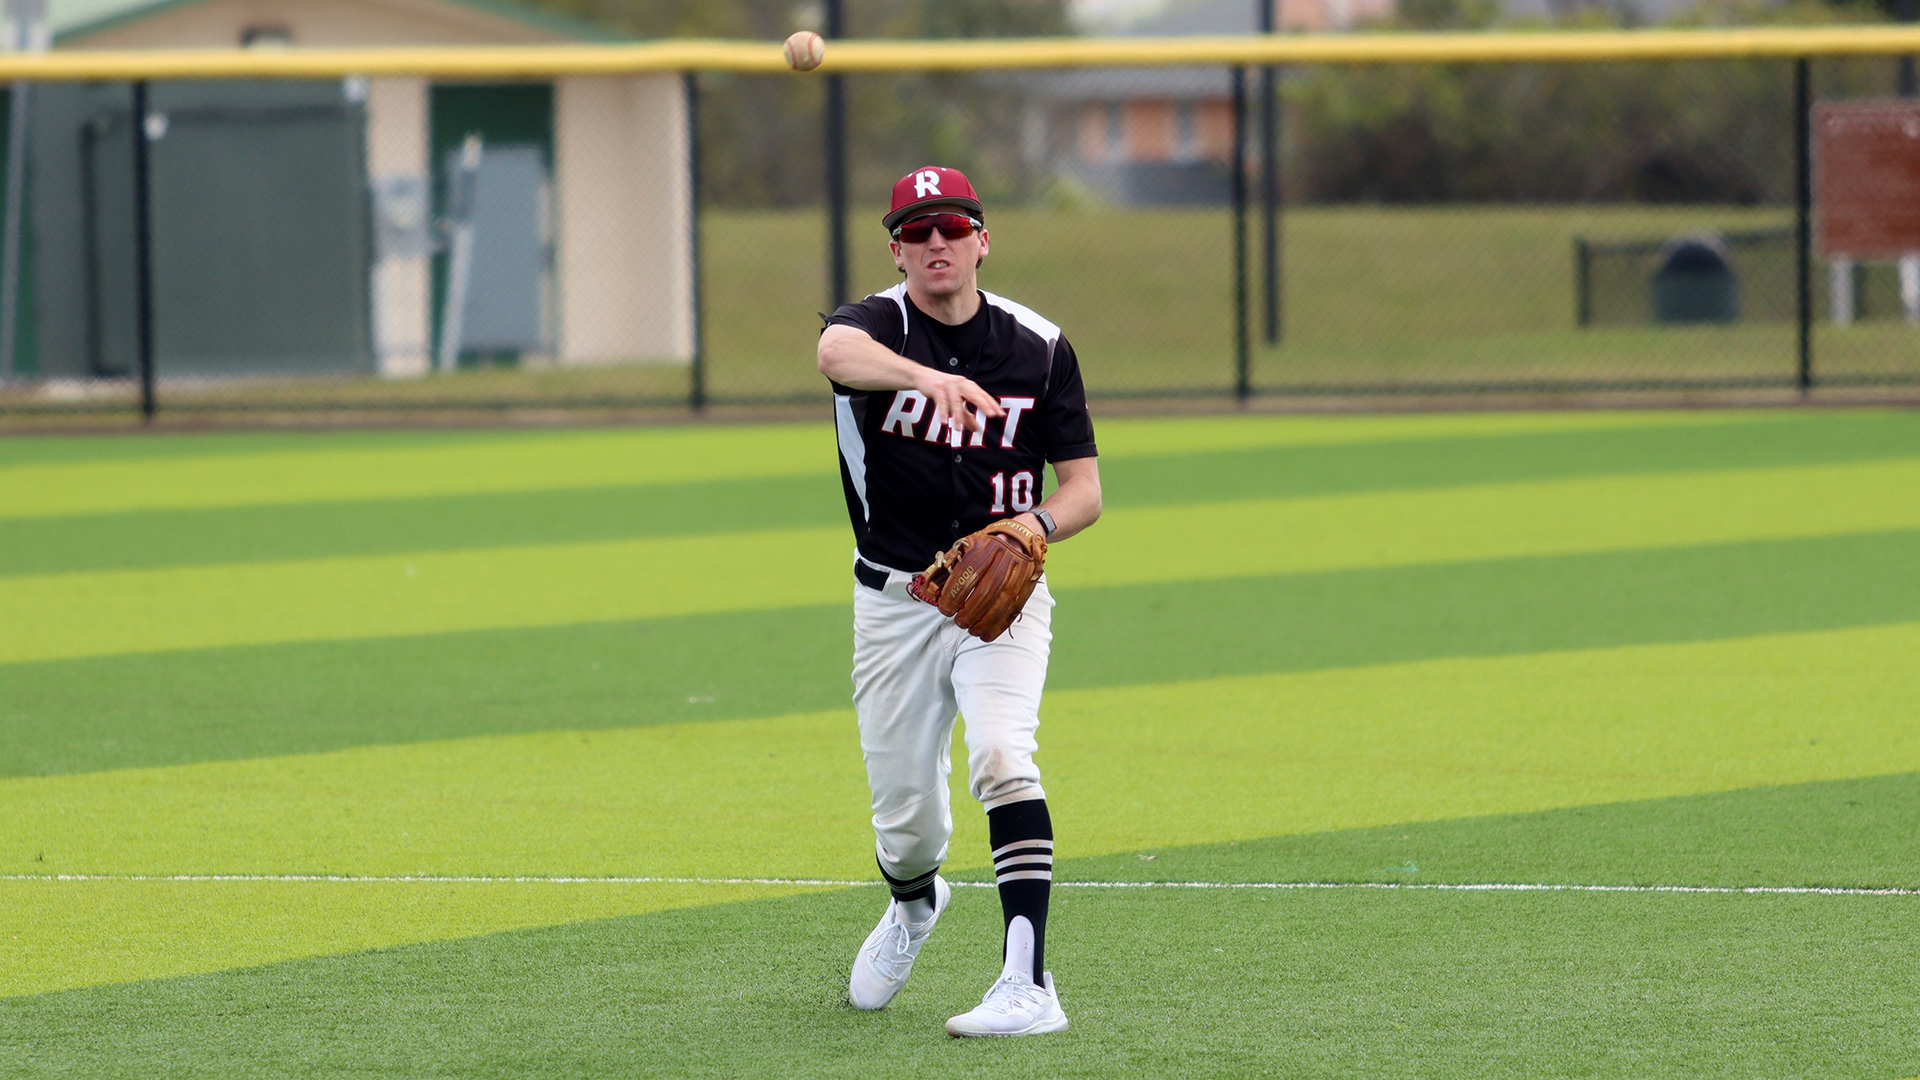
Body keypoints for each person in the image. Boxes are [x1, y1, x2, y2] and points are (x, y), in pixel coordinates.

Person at [816, 165, 1102, 1037]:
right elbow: (833, 355)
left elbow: (1085, 488)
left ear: (983, 239)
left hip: (1001, 595)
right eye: (917, 231)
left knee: (1005, 756)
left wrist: (1036, 528)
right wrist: (922, 378)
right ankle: (912, 903)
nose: (936, 243)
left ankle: (1029, 984)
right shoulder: (872, 327)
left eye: (952, 227)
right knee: (908, 830)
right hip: (895, 602)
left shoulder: (1038, 344)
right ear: (897, 249)